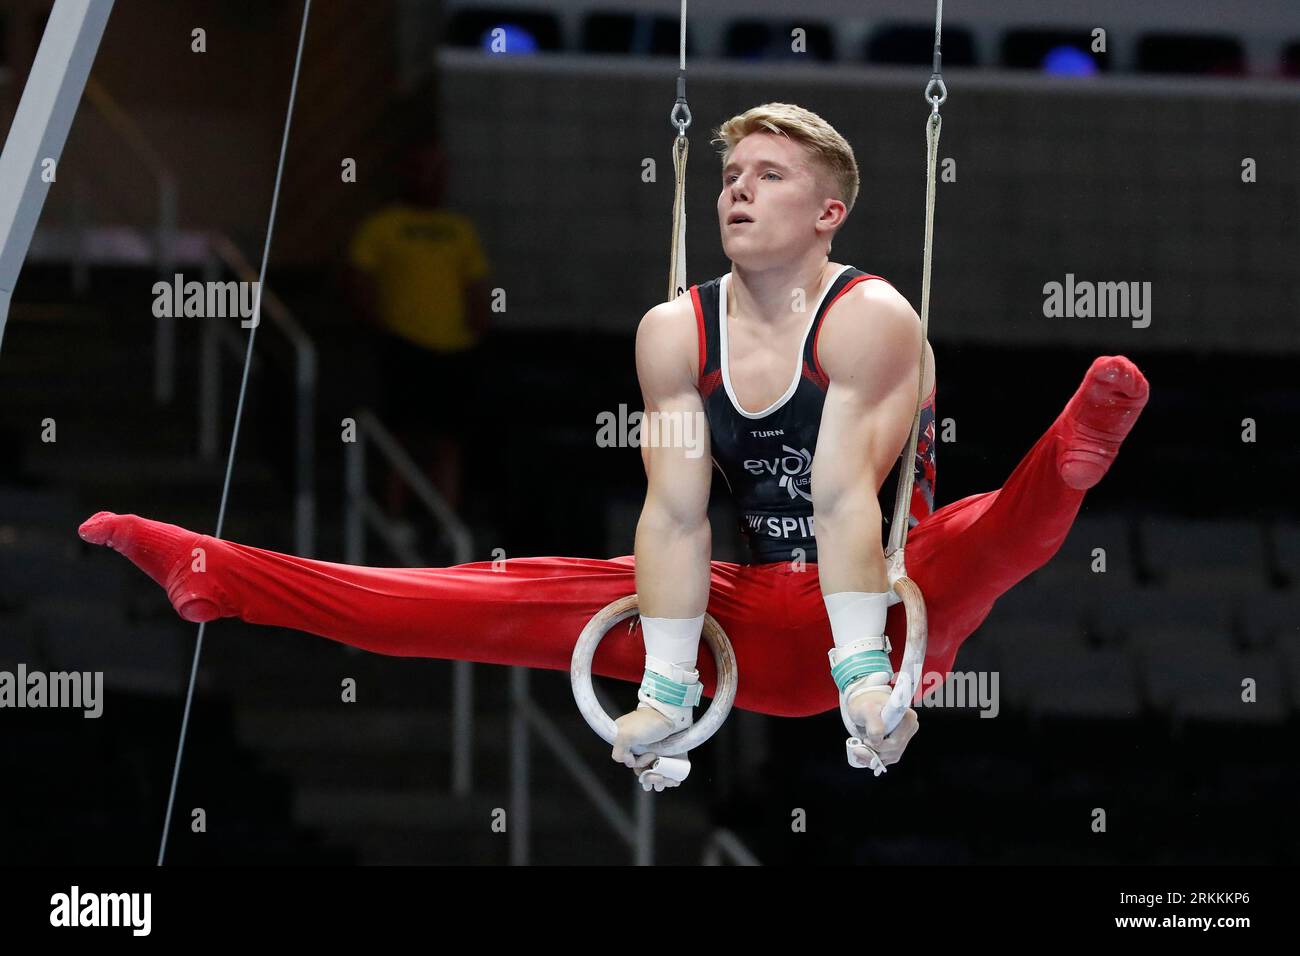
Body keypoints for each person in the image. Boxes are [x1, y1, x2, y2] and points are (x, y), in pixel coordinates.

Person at [78, 104, 1148, 793]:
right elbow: (676, 512)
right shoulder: (674, 330)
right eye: (730, 173)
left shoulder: (872, 317)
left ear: (829, 211)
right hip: (747, 605)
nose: (736, 188)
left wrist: (868, 679)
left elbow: (839, 498)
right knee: (480, 598)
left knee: (989, 533)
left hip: (889, 587)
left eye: (767, 175)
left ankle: (1074, 445)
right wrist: (670, 690)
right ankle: (221, 573)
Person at [347, 135, 492, 523]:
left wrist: (480, 325)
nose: (433, 179)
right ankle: (397, 523)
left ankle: (445, 526)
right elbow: (360, 281)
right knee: (401, 439)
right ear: (407, 173)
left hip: (454, 350)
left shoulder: (459, 229)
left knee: (449, 442)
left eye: (439, 171)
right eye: (424, 170)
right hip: (403, 346)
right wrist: (378, 328)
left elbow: (476, 286)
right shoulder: (383, 226)